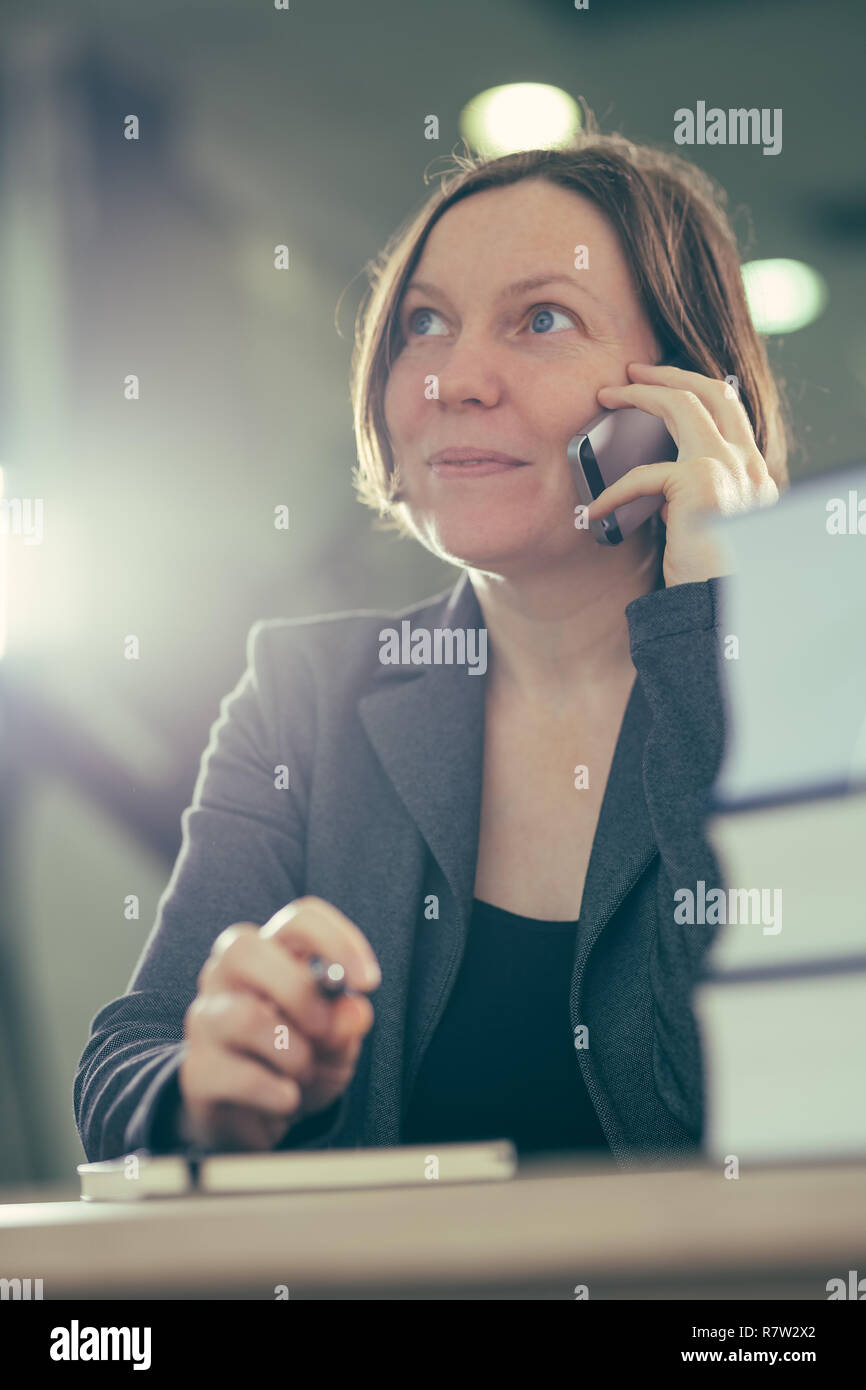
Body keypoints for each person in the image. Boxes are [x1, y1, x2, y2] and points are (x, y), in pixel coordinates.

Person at [75, 131, 788, 1169]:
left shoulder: (807, 691)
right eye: (425, 324)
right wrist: (207, 1086)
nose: (452, 378)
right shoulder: (304, 695)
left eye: (541, 319)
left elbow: (746, 1103)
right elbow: (124, 1063)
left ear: (688, 404)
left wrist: (717, 630)